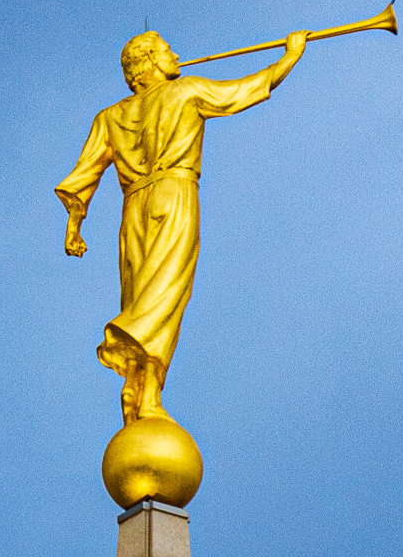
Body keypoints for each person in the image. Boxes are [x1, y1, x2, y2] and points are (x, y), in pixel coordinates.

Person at [56, 27, 307, 425]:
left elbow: (83, 175)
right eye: (167, 50)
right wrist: (290, 56)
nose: (175, 55)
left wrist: (74, 225)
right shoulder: (186, 90)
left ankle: (136, 385)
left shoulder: (110, 117)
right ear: (151, 62)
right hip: (173, 195)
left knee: (141, 296)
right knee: (165, 297)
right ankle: (150, 395)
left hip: (132, 208)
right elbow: (242, 92)